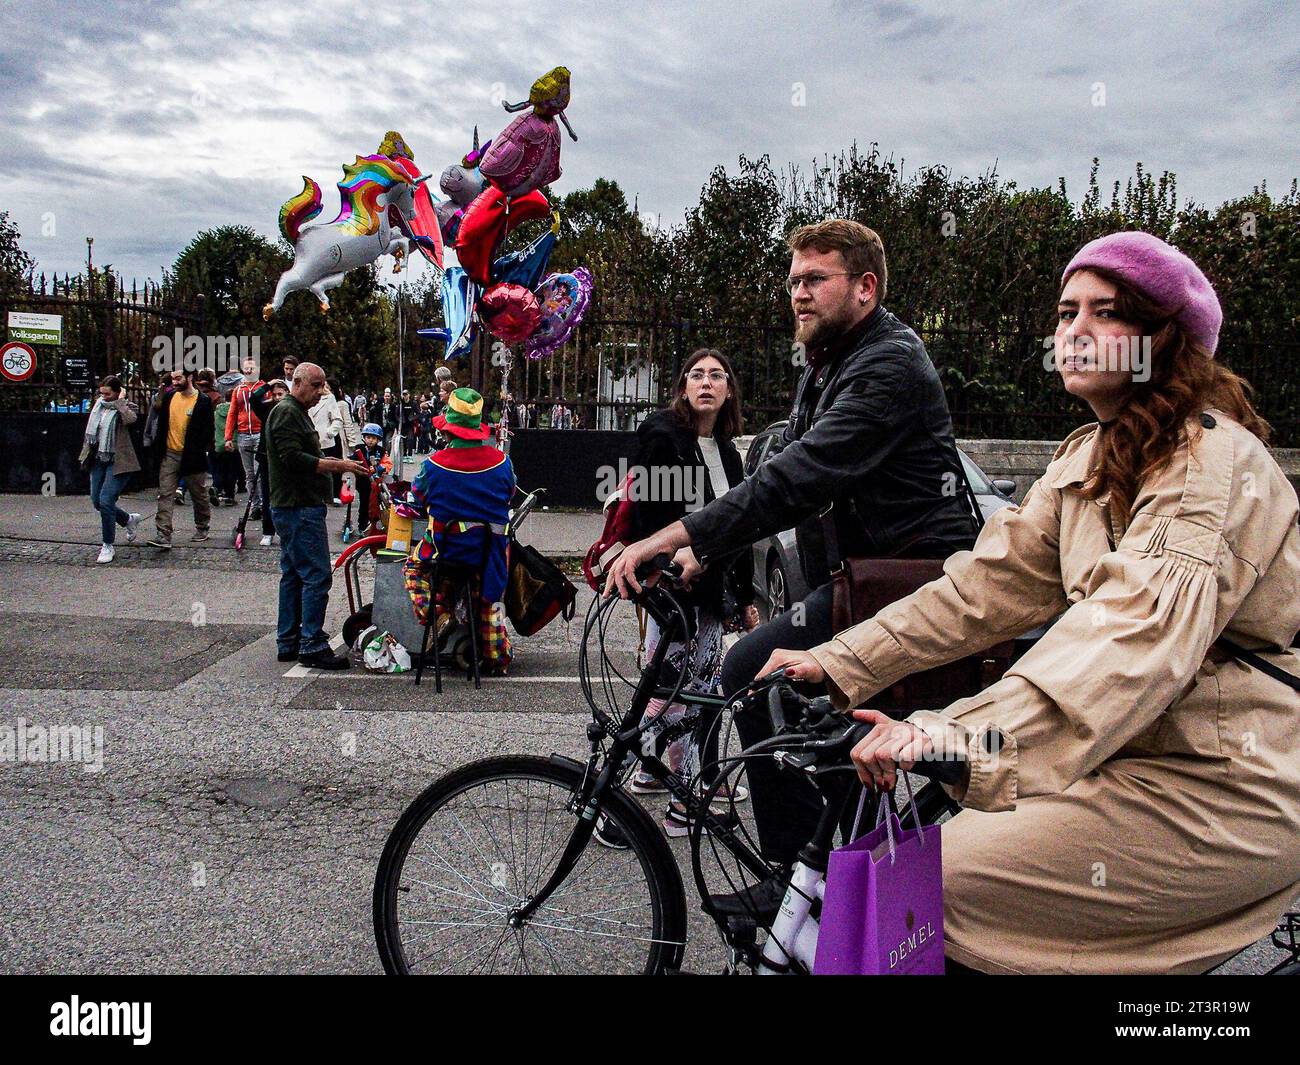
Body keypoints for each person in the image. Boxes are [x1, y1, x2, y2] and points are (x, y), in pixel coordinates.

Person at [758, 231, 1300, 974]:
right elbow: (977, 591)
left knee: (933, 886)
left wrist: (949, 734)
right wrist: (837, 658)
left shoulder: (1208, 463)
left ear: (1161, 339)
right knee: (920, 873)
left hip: (1222, 782)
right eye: (1065, 310)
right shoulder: (1086, 458)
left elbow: (1128, 640)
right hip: (1120, 757)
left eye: (1104, 313)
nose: (1073, 329)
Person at [606, 219, 979, 878]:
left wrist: (666, 536)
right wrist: (700, 549)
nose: (798, 294)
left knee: (753, 672)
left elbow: (798, 477)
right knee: (773, 689)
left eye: (815, 279)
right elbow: (776, 472)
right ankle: (819, 859)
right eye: (793, 281)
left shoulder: (890, 362)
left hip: (913, 581)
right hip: (859, 579)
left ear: (865, 287)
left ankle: (799, 884)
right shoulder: (829, 360)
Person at [612, 349, 761, 841]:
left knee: (692, 694)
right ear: (682, 388)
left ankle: (655, 776)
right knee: (671, 695)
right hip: (672, 592)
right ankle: (620, 805)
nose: (706, 382)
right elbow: (643, 512)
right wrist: (662, 566)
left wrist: (743, 599)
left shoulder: (728, 452)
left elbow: (737, 529)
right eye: (696, 374)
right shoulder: (662, 435)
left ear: (728, 391)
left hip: (711, 595)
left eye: (717, 375)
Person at [403, 388, 516, 675]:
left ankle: (438, 614)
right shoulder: (503, 463)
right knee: (486, 596)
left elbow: (418, 495)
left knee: (413, 570)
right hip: (488, 554)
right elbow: (510, 491)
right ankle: (497, 656)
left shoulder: (433, 466)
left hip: (445, 553)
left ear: (448, 431)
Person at [264, 363, 369, 669]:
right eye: (317, 385)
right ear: (298, 382)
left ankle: (289, 640)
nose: (322, 392)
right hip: (298, 506)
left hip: (295, 505)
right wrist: (340, 467)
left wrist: (338, 460)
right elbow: (294, 459)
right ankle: (311, 643)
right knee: (315, 575)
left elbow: (307, 453)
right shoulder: (286, 412)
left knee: (294, 574)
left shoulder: (294, 411)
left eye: (323, 385)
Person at [148, 368, 214, 548]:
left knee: (198, 493)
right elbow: (161, 424)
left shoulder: (202, 401)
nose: (175, 382)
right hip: (169, 452)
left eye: (178, 378)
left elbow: (208, 431)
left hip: (192, 455)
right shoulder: (170, 397)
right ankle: (163, 534)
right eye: (172, 379)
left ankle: (202, 526)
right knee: (165, 493)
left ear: (190, 377)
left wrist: (200, 450)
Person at [80, 375, 142, 564]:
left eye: (108, 394)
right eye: (102, 393)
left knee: (106, 500)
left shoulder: (126, 407)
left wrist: (120, 401)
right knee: (97, 502)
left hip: (119, 462)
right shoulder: (98, 406)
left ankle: (108, 545)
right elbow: (91, 433)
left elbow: (131, 420)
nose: (104, 397)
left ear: (117, 392)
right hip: (98, 459)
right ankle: (127, 520)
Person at [251, 378, 289, 546]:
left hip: (285, 458)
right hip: (266, 457)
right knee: (266, 495)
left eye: (280, 394)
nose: (277, 397)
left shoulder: (291, 410)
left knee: (284, 495)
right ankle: (268, 531)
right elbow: (253, 398)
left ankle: (285, 530)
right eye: (274, 394)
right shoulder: (267, 408)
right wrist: (268, 384)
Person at [226, 357, 264, 517]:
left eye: (251, 368)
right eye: (246, 368)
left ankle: (263, 503)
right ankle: (255, 505)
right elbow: (232, 413)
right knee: (249, 473)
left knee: (259, 472)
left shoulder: (263, 387)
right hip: (243, 435)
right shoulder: (238, 390)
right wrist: (228, 437)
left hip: (259, 433)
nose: (248, 371)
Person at [351, 422, 391, 534]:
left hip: (376, 482)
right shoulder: (359, 450)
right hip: (363, 482)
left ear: (378, 439)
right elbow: (353, 463)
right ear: (364, 438)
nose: (371, 440)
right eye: (368, 437)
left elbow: (387, 463)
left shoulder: (381, 451)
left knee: (377, 505)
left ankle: (375, 525)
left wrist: (381, 469)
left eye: (373, 438)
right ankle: (362, 525)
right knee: (364, 504)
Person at [310, 379, 344, 504]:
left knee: (330, 467)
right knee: (313, 468)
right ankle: (316, 495)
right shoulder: (306, 398)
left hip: (326, 440)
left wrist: (330, 432)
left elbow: (338, 419)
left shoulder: (329, 398)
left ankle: (334, 494)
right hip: (311, 439)